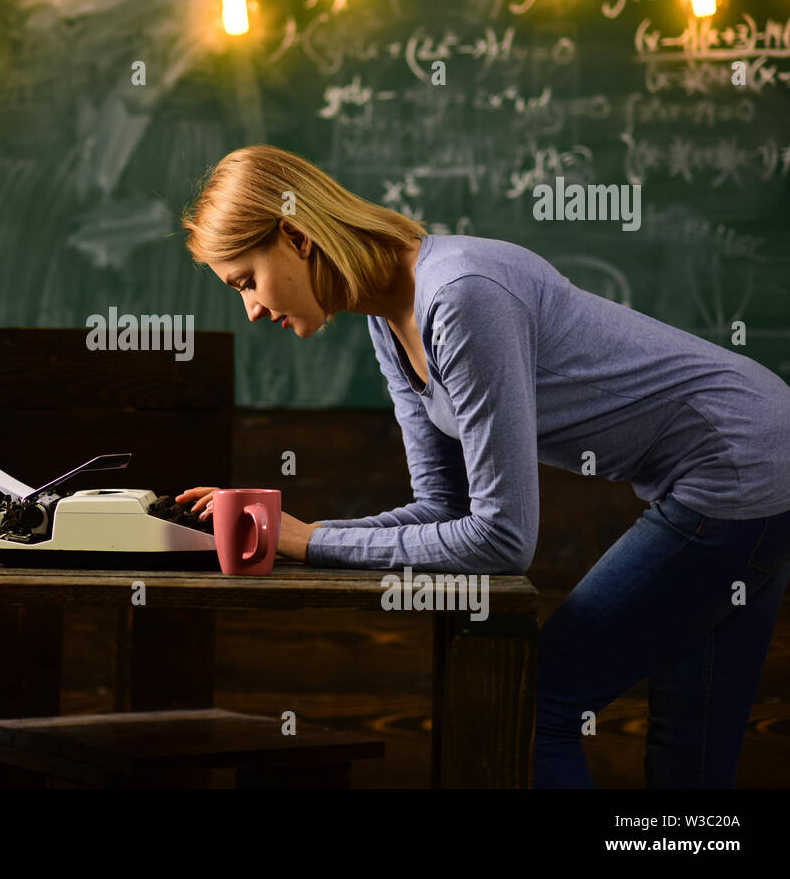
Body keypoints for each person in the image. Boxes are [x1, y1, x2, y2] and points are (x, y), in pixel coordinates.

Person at [176, 144, 790, 788]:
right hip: (751, 456)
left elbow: (502, 539)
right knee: (691, 750)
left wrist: (315, 542)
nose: (249, 308)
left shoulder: (461, 295)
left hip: (738, 460)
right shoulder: (388, 319)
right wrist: (301, 535)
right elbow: (442, 507)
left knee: (534, 706)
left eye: (246, 280)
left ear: (296, 237)